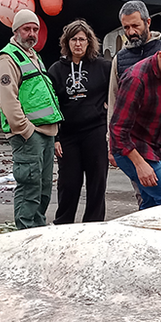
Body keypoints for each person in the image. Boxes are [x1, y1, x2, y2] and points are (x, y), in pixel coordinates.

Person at [107, 0, 161, 202]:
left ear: (148, 22)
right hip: (132, 142)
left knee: (160, 195)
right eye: (126, 27)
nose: (131, 32)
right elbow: (116, 121)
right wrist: (135, 161)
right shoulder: (132, 74)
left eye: (135, 25)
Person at [0, 9, 63, 230]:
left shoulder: (34, 57)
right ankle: (25, 232)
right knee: (29, 185)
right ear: (16, 31)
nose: (31, 34)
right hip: (28, 134)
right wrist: (25, 130)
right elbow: (8, 97)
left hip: (45, 132)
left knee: (43, 188)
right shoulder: (7, 59)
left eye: (35, 29)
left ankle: (38, 228)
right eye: (27, 29)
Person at [47, 19, 109, 224]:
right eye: (74, 39)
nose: (78, 44)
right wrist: (55, 137)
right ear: (67, 42)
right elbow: (51, 105)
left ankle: (94, 224)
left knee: (97, 182)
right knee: (69, 183)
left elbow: (117, 94)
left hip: (96, 131)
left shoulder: (103, 67)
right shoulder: (56, 69)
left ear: (89, 42)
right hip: (68, 135)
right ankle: (63, 224)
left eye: (82, 39)